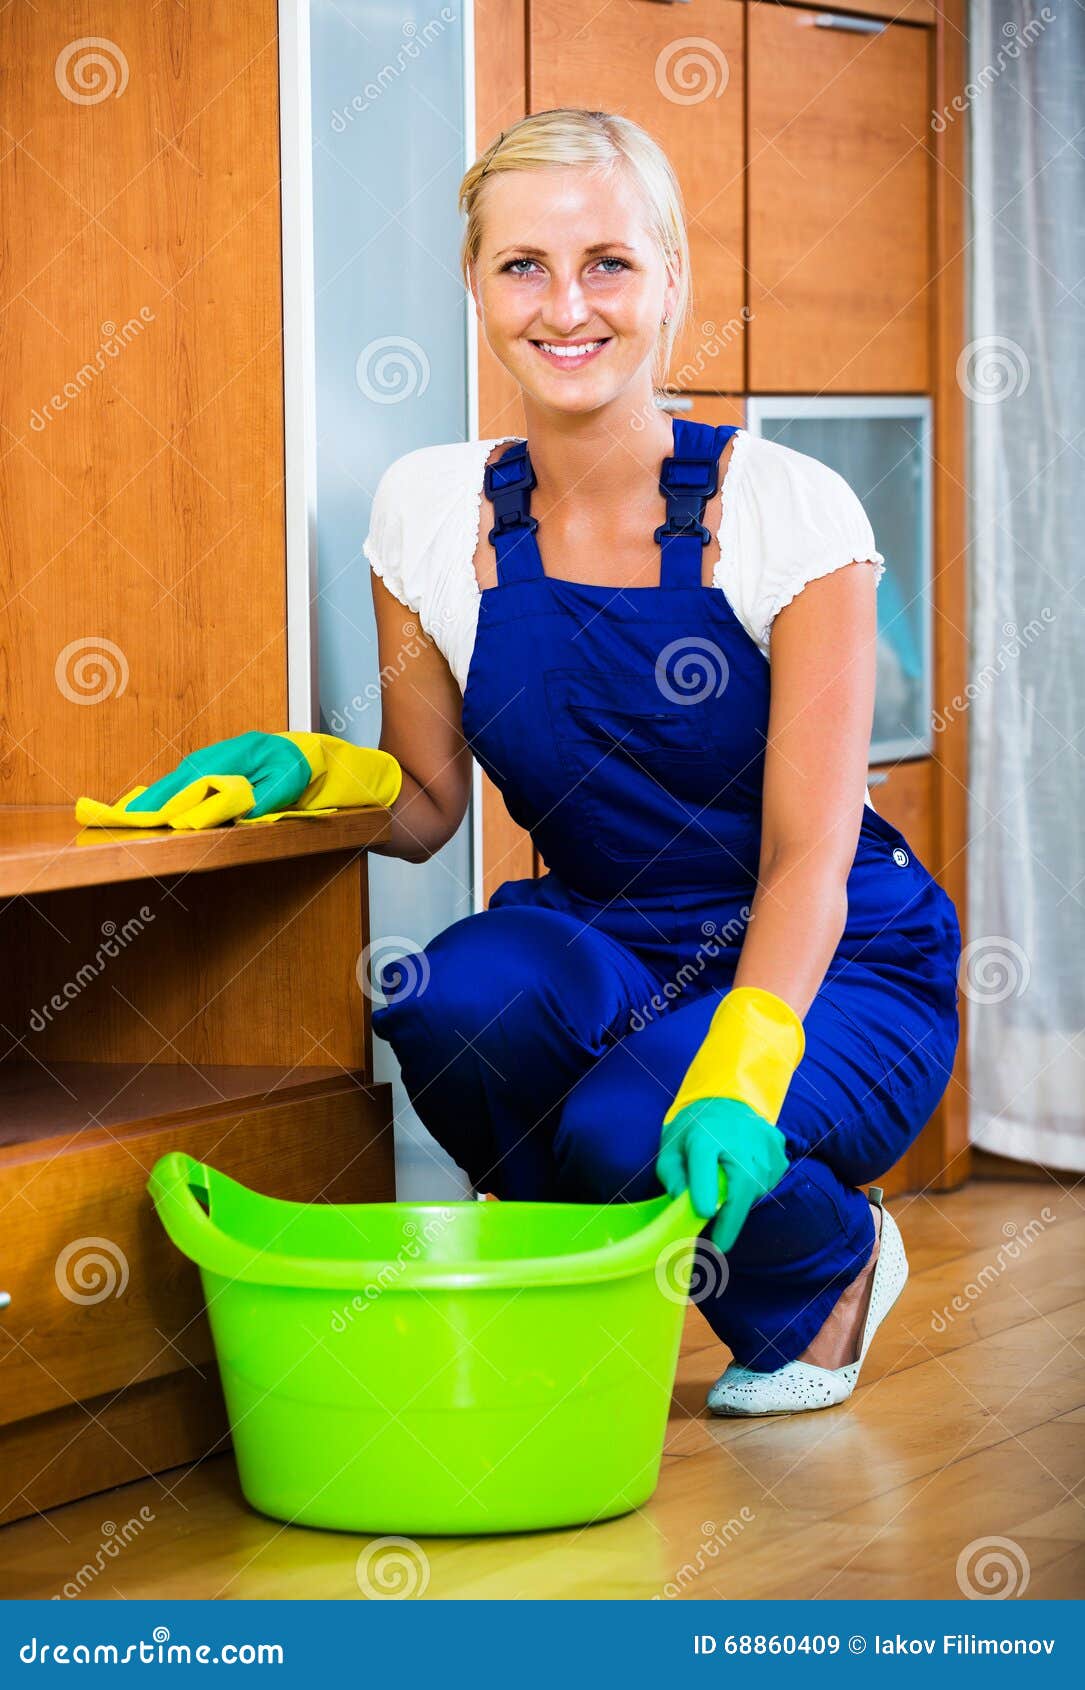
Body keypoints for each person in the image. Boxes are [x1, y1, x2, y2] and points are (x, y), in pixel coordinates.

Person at [363, 108, 961, 1416]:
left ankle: (829, 1264)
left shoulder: (784, 509)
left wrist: (743, 1063)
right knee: (446, 997)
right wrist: (296, 776)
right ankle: (573, 1288)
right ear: (472, 283)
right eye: (521, 264)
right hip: (602, 929)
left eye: (609, 263)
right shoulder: (422, 508)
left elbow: (810, 852)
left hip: (832, 952)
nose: (564, 304)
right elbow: (421, 808)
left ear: (673, 278)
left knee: (632, 1131)